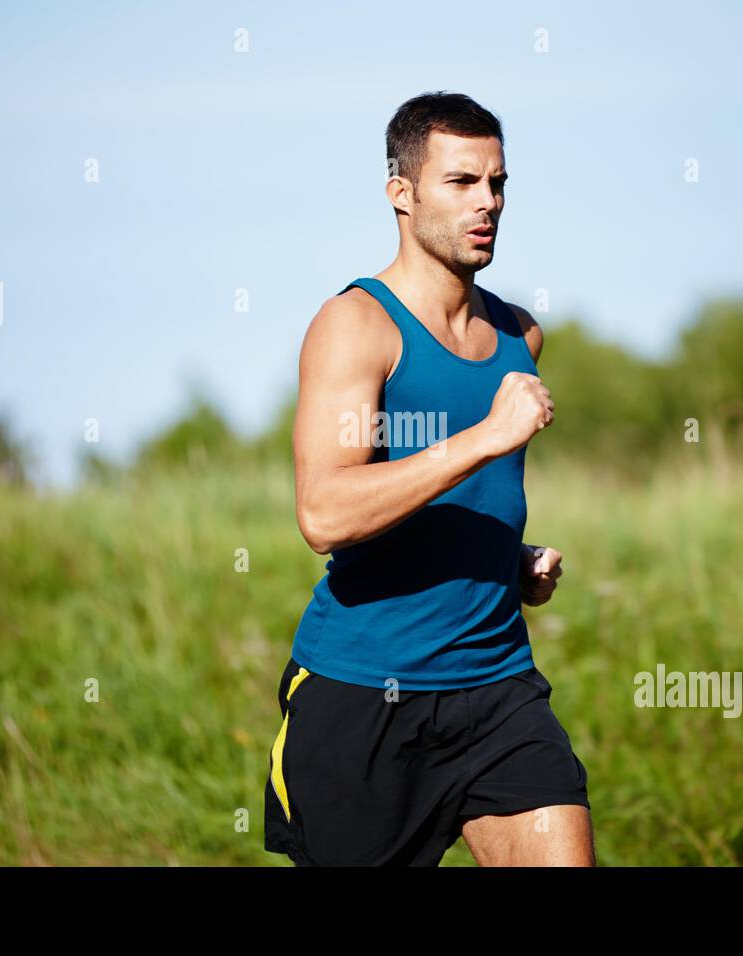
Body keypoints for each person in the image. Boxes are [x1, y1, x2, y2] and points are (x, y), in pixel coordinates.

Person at [263, 91, 594, 866]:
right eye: (462, 182)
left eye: (499, 182)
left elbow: (458, 501)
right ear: (401, 193)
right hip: (363, 697)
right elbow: (325, 513)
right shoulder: (356, 325)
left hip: (498, 691)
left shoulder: (520, 335)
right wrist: (481, 439)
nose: (489, 203)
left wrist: (503, 560)